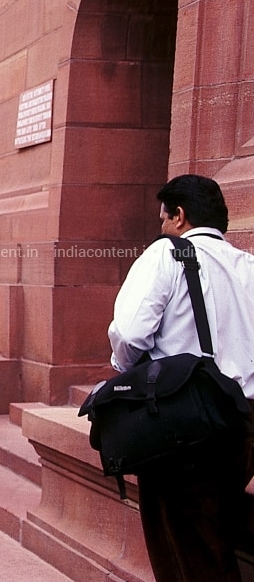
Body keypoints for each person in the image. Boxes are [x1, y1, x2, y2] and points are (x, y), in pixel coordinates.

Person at [107, 174, 254, 581]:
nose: (162, 227)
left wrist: (126, 371)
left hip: (184, 419)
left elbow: (130, 333)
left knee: (183, 549)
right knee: (213, 533)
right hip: (244, 419)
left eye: (163, 219)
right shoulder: (249, 265)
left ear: (179, 216)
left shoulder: (166, 254)